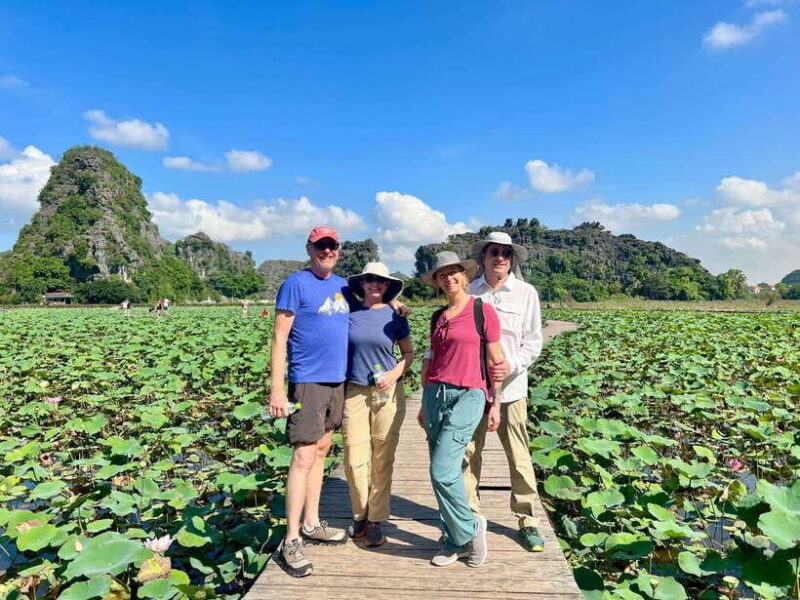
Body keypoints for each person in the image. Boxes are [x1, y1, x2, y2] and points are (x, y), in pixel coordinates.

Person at [269, 226, 350, 578]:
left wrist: (395, 303)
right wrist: (277, 389)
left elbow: (374, 298)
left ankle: (312, 522)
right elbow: (278, 337)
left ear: (339, 250)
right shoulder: (295, 283)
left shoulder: (345, 285)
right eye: (320, 246)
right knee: (302, 456)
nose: (326, 251)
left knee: (321, 450)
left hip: (337, 381)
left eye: (331, 246)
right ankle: (290, 540)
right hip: (307, 381)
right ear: (309, 248)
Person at [419, 251, 505, 568]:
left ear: (464, 275)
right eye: (442, 274)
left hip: (469, 395)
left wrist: (495, 403)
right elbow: (432, 357)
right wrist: (424, 398)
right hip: (434, 395)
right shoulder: (438, 317)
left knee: (442, 470)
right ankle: (452, 538)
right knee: (444, 472)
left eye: (454, 272)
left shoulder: (483, 312)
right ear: (437, 282)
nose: (449, 278)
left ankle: (470, 527)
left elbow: (496, 362)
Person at [463, 231, 545, 552]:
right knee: (469, 455)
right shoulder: (469, 294)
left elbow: (533, 341)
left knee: (519, 456)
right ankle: (470, 518)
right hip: (474, 389)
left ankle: (527, 520)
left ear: (512, 259)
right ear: (483, 257)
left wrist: (510, 365)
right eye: (494, 252)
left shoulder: (526, 293)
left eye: (506, 253)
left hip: (512, 390)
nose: (500, 258)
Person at [343, 263, 414, 548]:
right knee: (353, 457)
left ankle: (375, 519)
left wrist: (395, 373)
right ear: (361, 283)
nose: (375, 284)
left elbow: (408, 354)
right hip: (354, 392)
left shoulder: (395, 317)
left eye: (381, 281)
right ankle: (359, 514)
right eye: (369, 279)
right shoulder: (348, 310)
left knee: (383, 457)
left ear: (387, 286)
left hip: (388, 393)